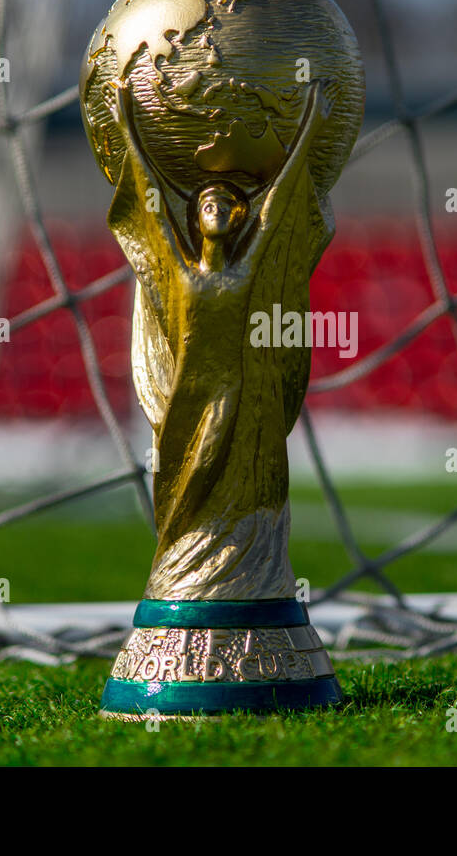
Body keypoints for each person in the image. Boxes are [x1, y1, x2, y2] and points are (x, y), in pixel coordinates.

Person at [104, 78, 333, 599]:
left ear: (236, 217)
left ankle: (249, 583)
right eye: (205, 204)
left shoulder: (249, 272)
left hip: (247, 400)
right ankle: (185, 580)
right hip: (188, 397)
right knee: (185, 490)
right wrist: (126, 127)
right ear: (196, 216)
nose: (214, 209)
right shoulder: (179, 274)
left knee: (253, 490)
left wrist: (310, 129)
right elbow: (153, 207)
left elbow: (275, 214)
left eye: (225, 205)